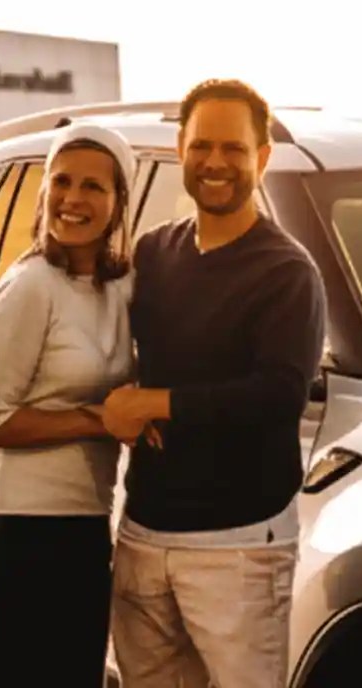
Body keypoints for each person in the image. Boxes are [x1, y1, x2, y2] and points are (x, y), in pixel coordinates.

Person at [102, 78, 327, 688]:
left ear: (262, 157)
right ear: (181, 148)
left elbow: (278, 394)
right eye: (202, 145)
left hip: (238, 545)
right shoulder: (154, 252)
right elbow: (111, 345)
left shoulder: (287, 272)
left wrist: (154, 403)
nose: (215, 162)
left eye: (233, 148)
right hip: (143, 532)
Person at [0, 122, 137, 688]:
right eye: (61, 181)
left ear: (119, 202)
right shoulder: (30, 285)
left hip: (83, 523)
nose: (73, 198)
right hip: (14, 528)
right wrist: (97, 420)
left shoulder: (121, 288)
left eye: (93, 186)